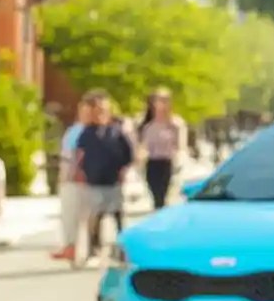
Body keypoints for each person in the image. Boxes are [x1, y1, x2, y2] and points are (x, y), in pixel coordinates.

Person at [75, 91, 133, 261]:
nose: (100, 114)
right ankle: (94, 249)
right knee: (95, 216)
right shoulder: (87, 133)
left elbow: (127, 154)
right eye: (97, 110)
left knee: (118, 215)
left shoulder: (116, 131)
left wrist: (123, 170)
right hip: (94, 180)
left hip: (113, 179)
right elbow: (80, 155)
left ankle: (123, 250)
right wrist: (80, 172)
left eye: (103, 110)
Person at [51, 96, 93, 264]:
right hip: (71, 179)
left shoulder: (98, 132)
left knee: (89, 219)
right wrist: (63, 177)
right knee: (69, 215)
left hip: (91, 180)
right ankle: (70, 247)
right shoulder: (74, 131)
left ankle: (89, 250)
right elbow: (66, 156)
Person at [137, 88, 187, 210]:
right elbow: (143, 146)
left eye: (165, 100)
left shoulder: (176, 124)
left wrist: (179, 158)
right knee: (156, 196)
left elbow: (181, 145)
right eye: (159, 100)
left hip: (168, 163)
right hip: (152, 163)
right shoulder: (148, 125)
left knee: (166, 196)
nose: (162, 104)